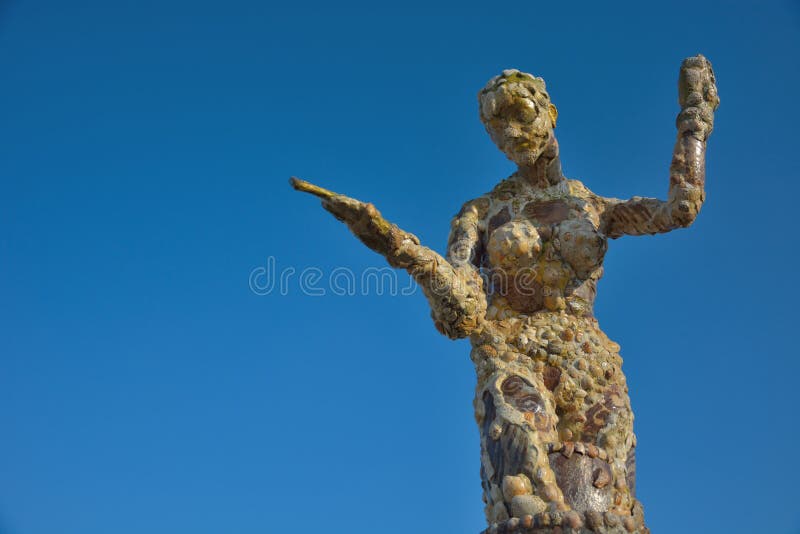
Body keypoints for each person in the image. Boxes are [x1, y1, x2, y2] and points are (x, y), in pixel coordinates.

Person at [291, 55, 718, 533]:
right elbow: (462, 314)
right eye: (495, 125)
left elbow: (679, 211)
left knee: (609, 502)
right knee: (526, 493)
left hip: (590, 361)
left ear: (549, 113)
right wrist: (396, 245)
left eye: (519, 112)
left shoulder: (597, 207)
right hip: (511, 352)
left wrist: (695, 122)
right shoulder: (480, 214)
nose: (509, 132)